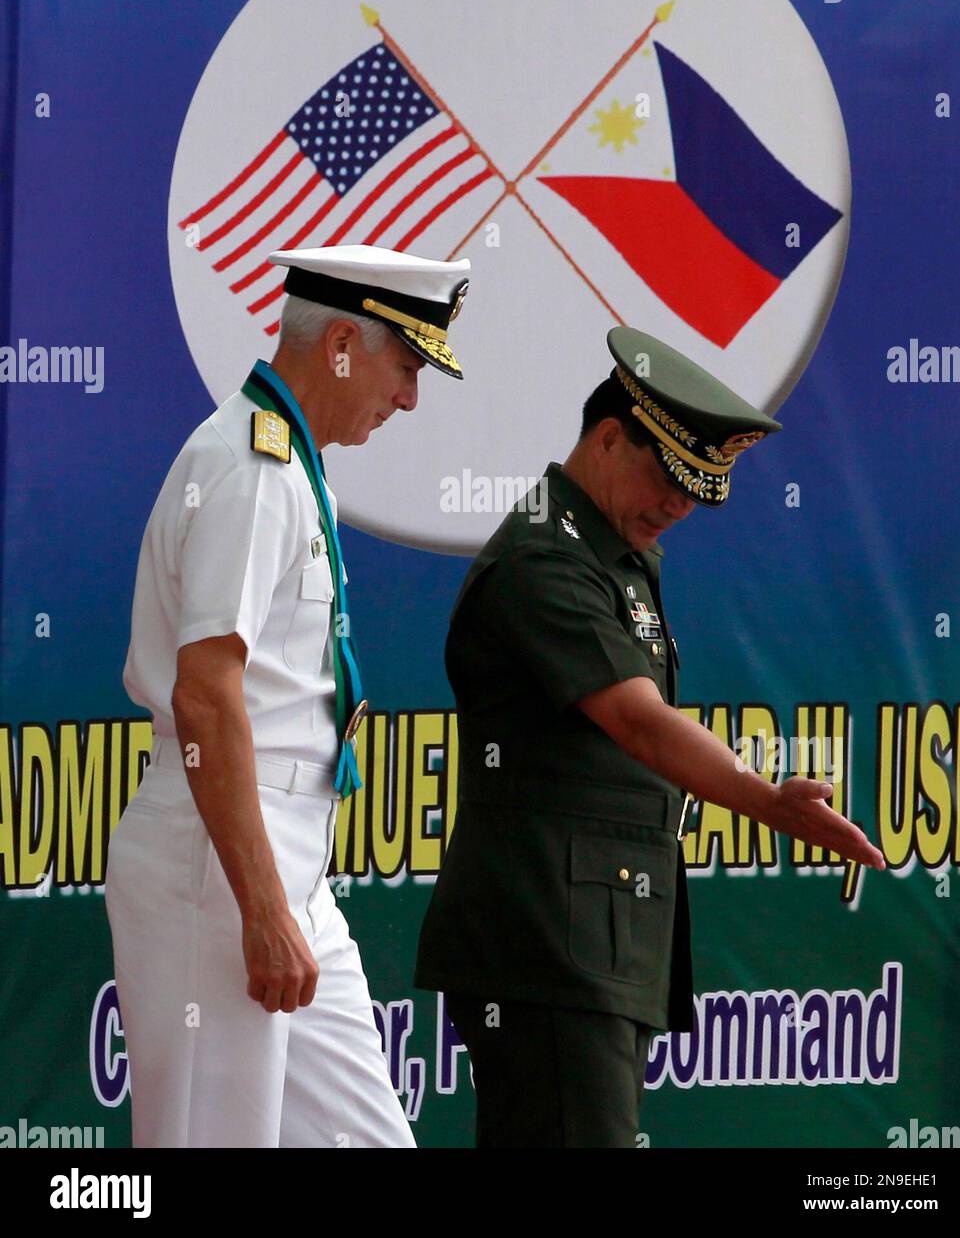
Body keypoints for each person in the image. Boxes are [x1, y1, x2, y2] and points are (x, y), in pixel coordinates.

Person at [414, 326, 885, 1149]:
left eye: (695, 494)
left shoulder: (618, 555)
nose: (677, 506)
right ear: (606, 437)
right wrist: (764, 799)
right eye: (666, 477)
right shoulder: (541, 558)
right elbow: (636, 718)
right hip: (546, 940)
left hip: (597, 940)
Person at [105, 243, 469, 1147]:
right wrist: (262, 910)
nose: (411, 397)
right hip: (221, 876)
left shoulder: (291, 469)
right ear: (343, 342)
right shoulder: (249, 469)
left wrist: (280, 903)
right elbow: (206, 699)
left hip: (280, 871)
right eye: (408, 365)